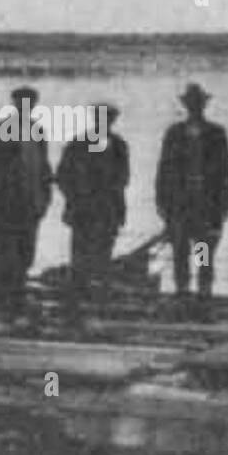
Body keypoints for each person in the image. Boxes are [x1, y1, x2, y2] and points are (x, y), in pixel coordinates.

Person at [155, 83, 228, 318]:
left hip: (206, 207)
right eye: (191, 104)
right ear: (186, 106)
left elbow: (226, 173)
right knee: (179, 251)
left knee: (203, 252)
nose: (194, 107)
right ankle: (182, 294)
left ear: (204, 106)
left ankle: (203, 295)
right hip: (179, 206)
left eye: (198, 104)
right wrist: (162, 202)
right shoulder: (174, 133)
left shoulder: (216, 133)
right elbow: (163, 170)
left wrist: (224, 205)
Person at [55, 103, 129, 327]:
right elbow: (63, 176)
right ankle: (76, 308)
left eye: (108, 120)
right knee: (80, 261)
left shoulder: (117, 146)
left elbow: (123, 179)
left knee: (102, 259)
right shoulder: (79, 145)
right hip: (85, 212)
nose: (104, 123)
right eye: (101, 119)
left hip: (106, 212)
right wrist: (76, 199)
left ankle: (97, 306)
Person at [0, 86, 53, 328]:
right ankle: (5, 304)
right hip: (7, 207)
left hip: (31, 205)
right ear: (14, 105)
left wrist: (45, 199)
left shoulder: (38, 132)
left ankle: (16, 299)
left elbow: (44, 169)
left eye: (30, 104)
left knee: (25, 255)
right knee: (6, 256)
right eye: (21, 103)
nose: (26, 108)